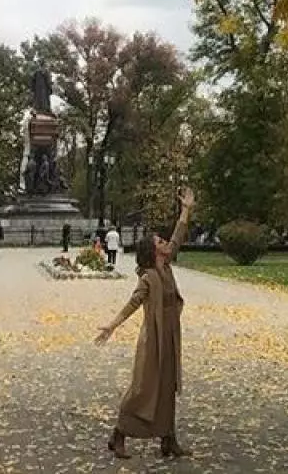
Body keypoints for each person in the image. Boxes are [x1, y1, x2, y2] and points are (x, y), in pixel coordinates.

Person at [95, 188, 195, 460]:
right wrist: (112, 325)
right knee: (143, 388)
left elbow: (177, 237)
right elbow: (134, 302)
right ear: (153, 251)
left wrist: (186, 209)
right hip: (154, 340)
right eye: (159, 241)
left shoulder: (166, 265)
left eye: (162, 240)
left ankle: (168, 438)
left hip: (171, 336)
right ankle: (118, 434)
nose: (164, 242)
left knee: (167, 387)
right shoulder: (150, 276)